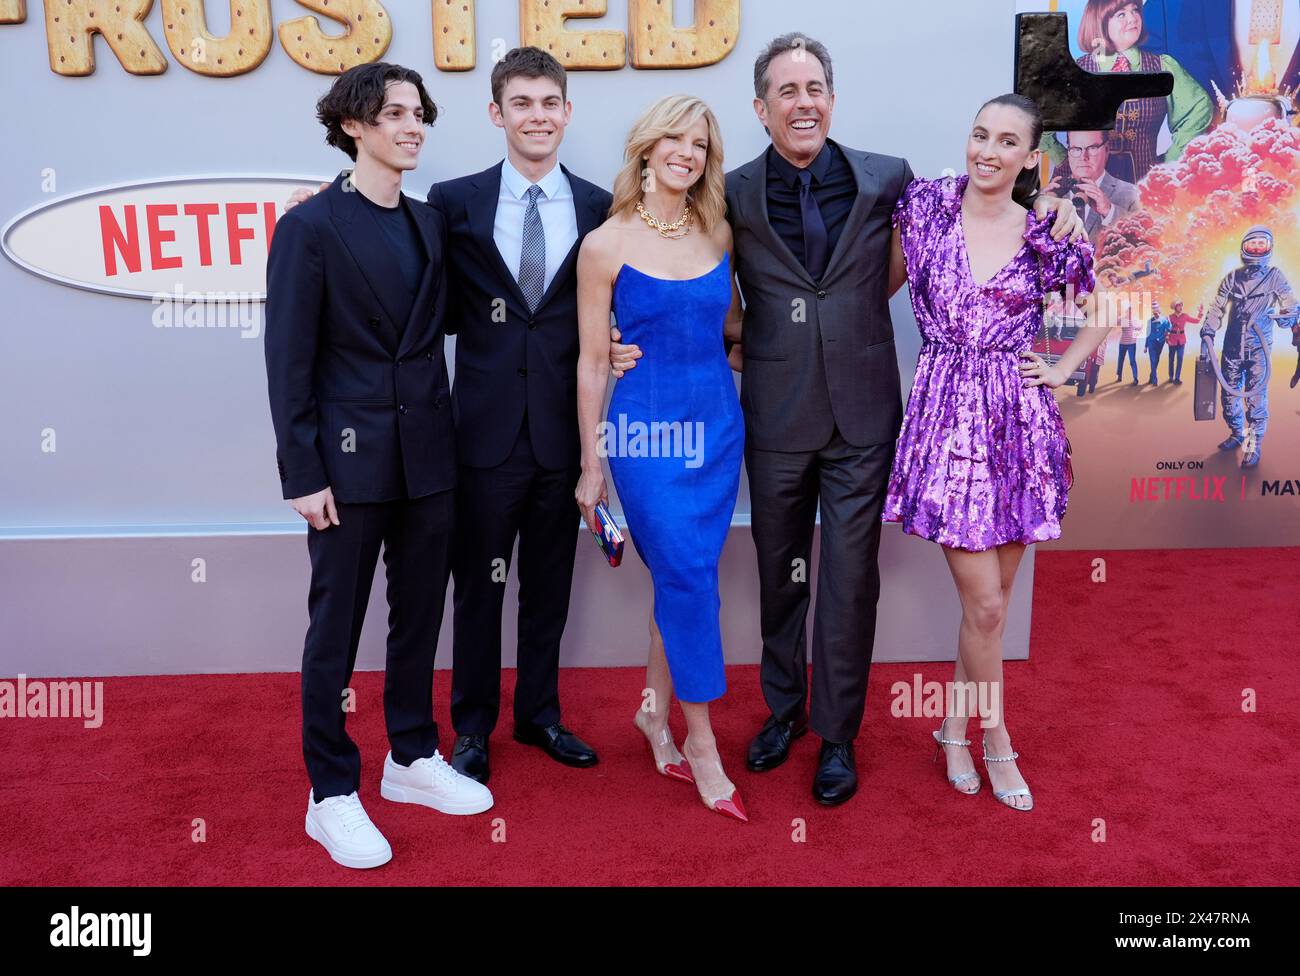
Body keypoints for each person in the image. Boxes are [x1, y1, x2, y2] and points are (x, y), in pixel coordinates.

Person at [610, 33, 1085, 807]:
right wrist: (618, 334)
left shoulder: (890, 181)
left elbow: (982, 204)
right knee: (779, 574)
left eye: (814, 89)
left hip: (865, 415)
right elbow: (670, 264)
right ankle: (784, 712)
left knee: (850, 581)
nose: (803, 103)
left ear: (831, 99)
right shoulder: (729, 192)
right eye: (786, 91)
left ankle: (837, 735)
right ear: (761, 108)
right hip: (773, 412)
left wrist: (1050, 204)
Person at [265, 63, 492, 870]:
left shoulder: (430, 223)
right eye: (393, 113)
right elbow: (288, 359)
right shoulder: (309, 228)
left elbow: (468, 320)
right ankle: (330, 792)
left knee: (420, 614)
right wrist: (303, 472)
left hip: (429, 455)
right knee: (335, 629)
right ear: (353, 126)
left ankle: (410, 755)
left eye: (418, 113)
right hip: (347, 465)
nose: (412, 126)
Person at [884, 93, 1109, 812]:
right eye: (980, 134)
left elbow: (1101, 310)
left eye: (1007, 141)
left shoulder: (1047, 230)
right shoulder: (925, 209)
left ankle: (952, 728)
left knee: (993, 606)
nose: (988, 150)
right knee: (985, 606)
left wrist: (1063, 367)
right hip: (946, 420)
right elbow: (869, 288)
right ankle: (997, 738)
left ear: (1030, 157)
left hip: (1018, 424)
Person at [425, 48, 609, 783]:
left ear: (567, 112)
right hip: (483, 432)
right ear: (497, 113)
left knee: (550, 585)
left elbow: (610, 312)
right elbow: (426, 301)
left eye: (549, 103)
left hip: (564, 431)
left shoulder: (599, 205)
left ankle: (539, 715)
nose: (538, 116)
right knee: (479, 586)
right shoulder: (453, 202)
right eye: (522, 103)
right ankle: (472, 728)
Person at [576, 95, 747, 822]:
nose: (687, 152)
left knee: (686, 576)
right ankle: (701, 742)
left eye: (700, 143)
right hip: (644, 436)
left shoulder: (719, 232)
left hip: (717, 431)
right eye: (674, 138)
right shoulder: (604, 245)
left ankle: (653, 712)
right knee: (686, 575)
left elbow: (732, 328)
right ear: (646, 147)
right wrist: (591, 464)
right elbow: (591, 362)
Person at [1039, 0, 1211, 183]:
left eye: (1135, 10)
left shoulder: (1162, 67)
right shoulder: (1075, 70)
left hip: (1142, 185)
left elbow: (1199, 109)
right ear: (1100, 21)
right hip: (1082, 186)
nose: (1133, 18)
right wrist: (1062, 158)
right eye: (1121, 14)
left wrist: (1170, 160)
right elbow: (1037, 116)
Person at [1200, 225, 1298, 468]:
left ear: (1269, 247)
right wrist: (1208, 330)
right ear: (1244, 247)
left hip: (1258, 349)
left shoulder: (1275, 276)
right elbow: (1217, 306)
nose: (1256, 248)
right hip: (1232, 347)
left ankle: (1253, 446)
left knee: (1256, 400)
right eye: (1252, 244)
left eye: (1260, 244)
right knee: (1229, 396)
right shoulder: (1232, 278)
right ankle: (1237, 433)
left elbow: (1290, 303)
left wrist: (1287, 317)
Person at [1043, 130, 1140, 246]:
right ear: (1068, 151)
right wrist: (1041, 217)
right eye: (1076, 149)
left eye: (1092, 148)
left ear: (1107, 149)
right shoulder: (1049, 195)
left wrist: (1109, 211)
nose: (1083, 157)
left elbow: (1143, 243)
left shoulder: (1133, 195)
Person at [1166, 299, 1203, 384]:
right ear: (1175, 307)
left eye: (1181, 305)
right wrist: (1167, 339)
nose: (1181, 307)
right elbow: (1166, 329)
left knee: (1180, 359)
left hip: (1181, 341)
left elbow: (1196, 321)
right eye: (1179, 306)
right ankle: (1171, 377)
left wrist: (1200, 313)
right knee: (1171, 359)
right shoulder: (1170, 317)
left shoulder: (1185, 316)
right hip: (1172, 340)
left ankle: (1177, 378)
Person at [1147, 299, 1171, 385]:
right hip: (1151, 343)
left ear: (1159, 311)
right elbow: (1147, 334)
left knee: (1156, 360)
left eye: (1156, 311)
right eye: (1154, 311)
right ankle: (1155, 380)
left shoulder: (1164, 320)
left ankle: (1151, 376)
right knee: (1153, 360)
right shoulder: (1149, 321)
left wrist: (1169, 321)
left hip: (1160, 343)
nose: (1155, 313)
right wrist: (1146, 346)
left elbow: (1169, 328)